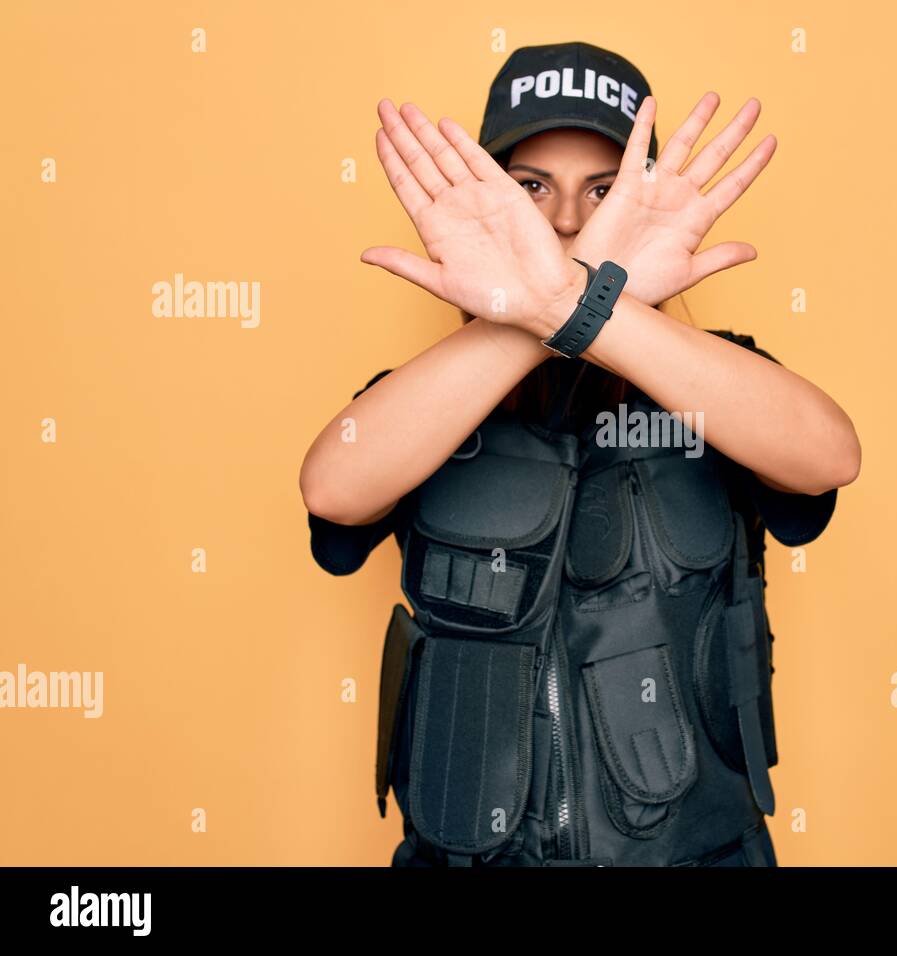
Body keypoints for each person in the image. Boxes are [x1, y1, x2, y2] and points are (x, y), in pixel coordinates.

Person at [299, 41, 860, 866]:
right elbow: (333, 488)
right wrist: (543, 311)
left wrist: (579, 304)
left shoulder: (718, 384)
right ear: (489, 198)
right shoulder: (428, 400)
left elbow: (828, 456)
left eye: (603, 191)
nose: (567, 221)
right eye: (532, 188)